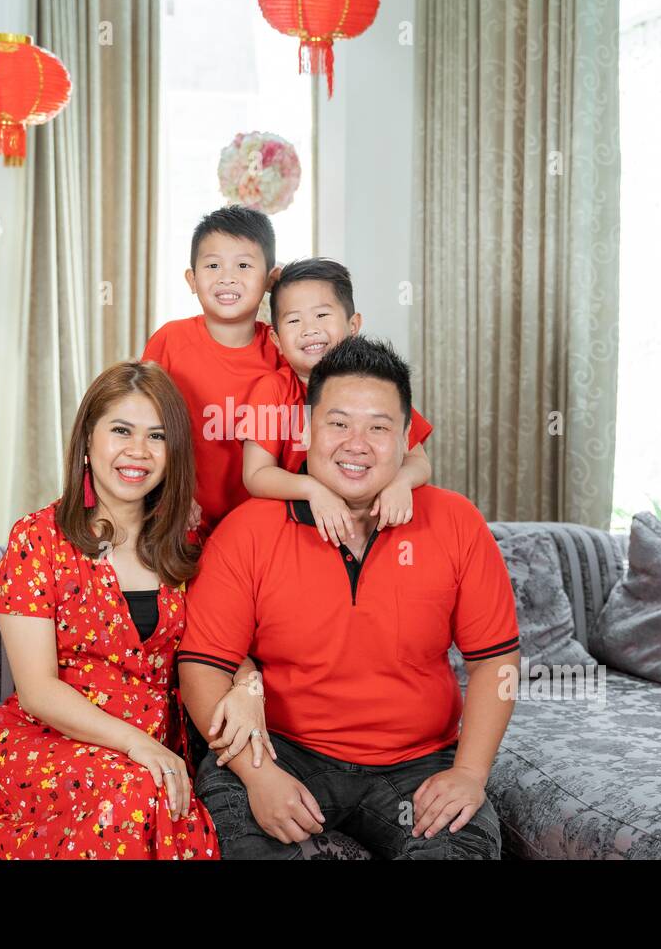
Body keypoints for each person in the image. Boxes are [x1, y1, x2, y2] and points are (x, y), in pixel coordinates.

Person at [178, 336, 520, 859]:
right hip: (282, 750)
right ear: (306, 429)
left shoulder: (456, 523)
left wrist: (470, 774)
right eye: (338, 423)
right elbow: (203, 667)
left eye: (378, 427)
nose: (356, 443)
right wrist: (258, 774)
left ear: (407, 437)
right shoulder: (247, 530)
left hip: (418, 763)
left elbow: (496, 662)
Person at [0, 361, 264, 859]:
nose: (138, 451)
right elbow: (38, 690)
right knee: (137, 793)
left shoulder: (190, 544)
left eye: (156, 436)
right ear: (88, 442)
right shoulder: (37, 538)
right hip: (50, 745)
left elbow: (216, 647)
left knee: (150, 791)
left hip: (154, 751)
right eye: (121, 430)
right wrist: (139, 746)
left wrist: (249, 687)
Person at [240, 257, 434, 545]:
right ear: (276, 340)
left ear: (353, 324)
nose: (309, 329)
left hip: (368, 523)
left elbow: (419, 462)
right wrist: (313, 490)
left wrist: (401, 481)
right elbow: (256, 475)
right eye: (294, 320)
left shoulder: (375, 386)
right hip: (298, 526)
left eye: (321, 315)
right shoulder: (271, 391)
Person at [140, 205, 281, 538]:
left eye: (244, 265)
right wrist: (167, 492)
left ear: (269, 279)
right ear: (192, 279)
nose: (227, 277)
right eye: (213, 265)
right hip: (182, 518)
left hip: (263, 526)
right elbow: (141, 423)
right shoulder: (171, 340)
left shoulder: (282, 346)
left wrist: (286, 283)